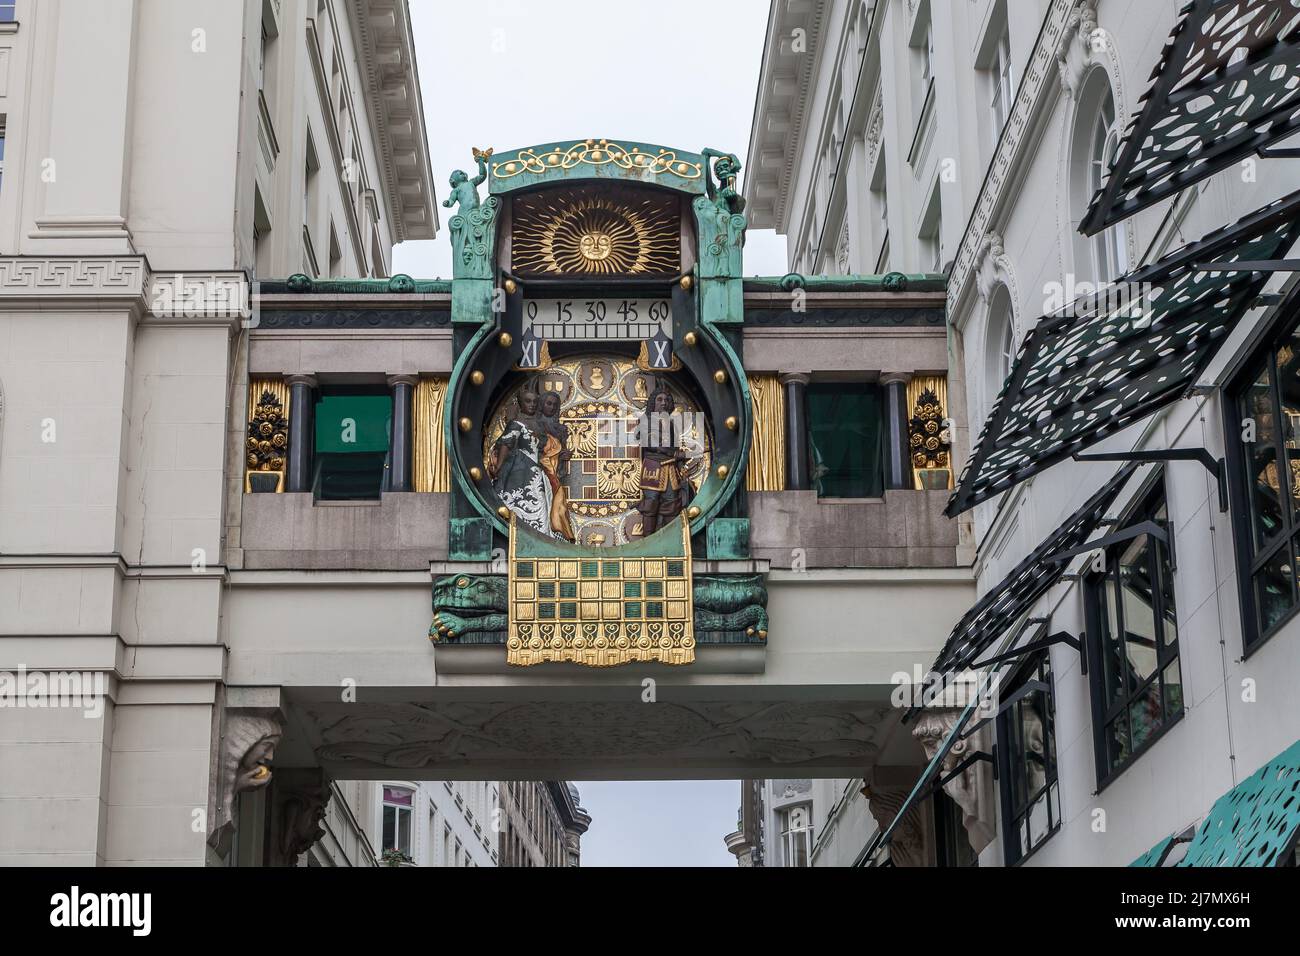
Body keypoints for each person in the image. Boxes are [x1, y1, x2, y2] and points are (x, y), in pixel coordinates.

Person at [488, 384, 556, 537]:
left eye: (534, 402)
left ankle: (539, 538)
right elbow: (506, 444)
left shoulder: (537, 425)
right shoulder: (516, 424)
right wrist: (498, 468)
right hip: (520, 473)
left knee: (540, 507)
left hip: (534, 473)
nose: (532, 405)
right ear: (520, 403)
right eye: (528, 401)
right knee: (530, 505)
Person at [637, 385, 693, 535]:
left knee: (671, 503)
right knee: (651, 503)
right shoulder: (645, 421)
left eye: (667, 400)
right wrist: (670, 453)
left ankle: (669, 537)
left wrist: (681, 457)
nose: (664, 402)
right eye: (660, 399)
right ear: (653, 403)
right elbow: (647, 442)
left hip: (670, 469)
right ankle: (648, 538)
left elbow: (674, 448)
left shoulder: (672, 425)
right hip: (653, 467)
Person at [538, 391, 574, 541]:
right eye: (549, 403)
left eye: (555, 404)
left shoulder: (561, 429)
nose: (552, 407)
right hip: (541, 469)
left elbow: (562, 450)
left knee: (556, 501)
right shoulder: (536, 425)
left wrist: (564, 456)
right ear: (542, 405)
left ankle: (558, 533)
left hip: (554, 469)